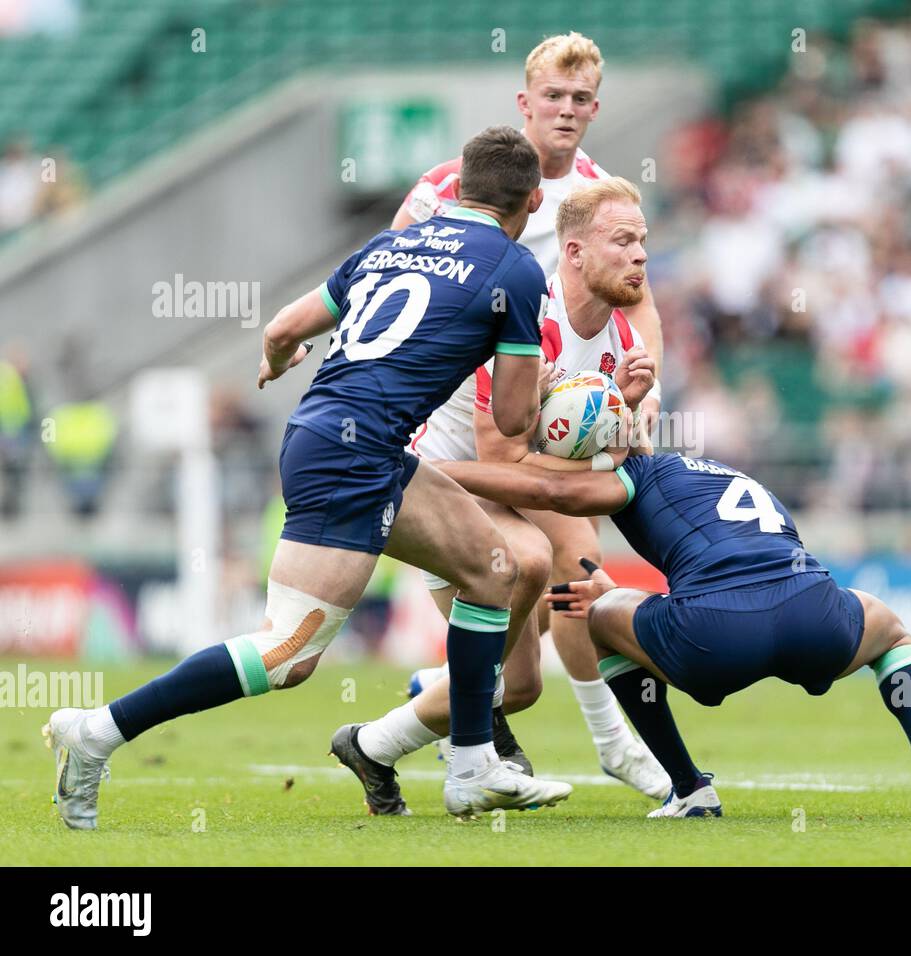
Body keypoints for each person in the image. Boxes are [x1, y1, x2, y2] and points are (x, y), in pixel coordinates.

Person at [43, 127, 573, 828]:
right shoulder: (515, 269)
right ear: (533, 201)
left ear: (459, 190)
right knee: (289, 654)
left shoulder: (388, 245)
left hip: (338, 438)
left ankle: (472, 764)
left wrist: (275, 359)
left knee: (491, 569)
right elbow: (510, 419)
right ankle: (98, 731)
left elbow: (284, 327)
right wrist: (566, 407)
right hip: (353, 458)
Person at [332, 178, 670, 814]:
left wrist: (624, 410)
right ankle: (602, 742)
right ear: (572, 253)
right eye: (623, 241)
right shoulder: (524, 318)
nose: (641, 256)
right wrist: (598, 460)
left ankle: (373, 743)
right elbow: (504, 460)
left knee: (518, 683)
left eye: (642, 241)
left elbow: (600, 451)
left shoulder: (622, 340)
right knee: (561, 571)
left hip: (499, 490)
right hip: (436, 486)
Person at [429, 444, 911, 820]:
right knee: (891, 630)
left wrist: (436, 470)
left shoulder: (633, 474)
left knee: (600, 620)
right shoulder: (723, 473)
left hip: (715, 636)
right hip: (812, 614)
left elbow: (551, 495)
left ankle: (689, 787)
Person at [390, 33, 669, 786]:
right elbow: (392, 270)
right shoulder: (451, 187)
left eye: (582, 100)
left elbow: (640, 302)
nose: (568, 110)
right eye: (555, 96)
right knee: (533, 605)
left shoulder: (599, 196)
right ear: (526, 102)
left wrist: (646, 385)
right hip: (455, 416)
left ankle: (593, 740)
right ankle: (449, 722)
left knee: (568, 582)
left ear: (596, 109)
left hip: (550, 409)